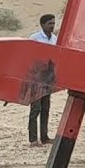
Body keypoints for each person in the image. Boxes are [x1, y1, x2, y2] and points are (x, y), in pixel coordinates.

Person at [27, 14, 57, 147]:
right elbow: (28, 56)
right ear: (43, 25)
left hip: (48, 79)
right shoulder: (35, 38)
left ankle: (44, 137)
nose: (52, 26)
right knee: (35, 109)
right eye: (50, 23)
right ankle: (33, 140)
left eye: (53, 23)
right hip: (36, 78)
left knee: (45, 108)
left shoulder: (55, 39)